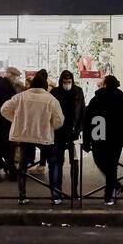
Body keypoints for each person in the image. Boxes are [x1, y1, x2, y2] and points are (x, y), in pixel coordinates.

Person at [0, 70, 64, 204]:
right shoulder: (51, 100)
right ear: (45, 86)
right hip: (44, 136)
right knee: (53, 163)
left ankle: (22, 196)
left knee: (23, 164)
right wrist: (49, 125)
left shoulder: (20, 97)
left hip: (25, 135)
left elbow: (4, 109)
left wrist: (17, 120)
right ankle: (56, 196)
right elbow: (59, 121)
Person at [83, 75, 123, 206]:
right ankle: (113, 190)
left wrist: (86, 140)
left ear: (105, 84)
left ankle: (109, 194)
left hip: (98, 136)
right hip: (116, 139)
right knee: (112, 165)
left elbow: (87, 121)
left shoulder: (96, 99)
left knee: (100, 162)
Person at [50, 70, 85, 203]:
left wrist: (79, 128)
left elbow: (82, 111)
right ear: (61, 82)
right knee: (57, 162)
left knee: (75, 163)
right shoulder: (55, 92)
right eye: (64, 82)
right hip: (58, 133)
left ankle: (74, 191)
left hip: (74, 134)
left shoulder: (78, 91)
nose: (67, 84)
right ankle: (57, 194)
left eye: (69, 82)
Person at [0, 67, 20, 178]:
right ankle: (11, 171)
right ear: (11, 75)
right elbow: (4, 106)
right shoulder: (5, 87)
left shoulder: (2, 85)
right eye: (16, 77)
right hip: (2, 123)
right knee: (7, 148)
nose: (17, 79)